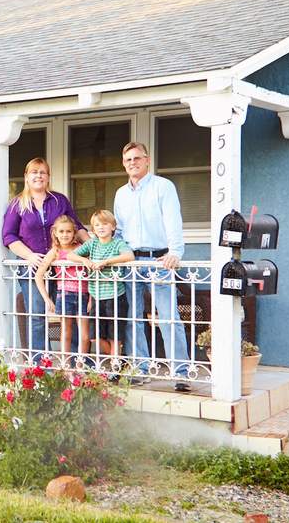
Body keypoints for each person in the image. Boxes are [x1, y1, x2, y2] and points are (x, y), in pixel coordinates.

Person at [113, 141, 191, 391]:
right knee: (133, 317)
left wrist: (175, 252)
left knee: (169, 317)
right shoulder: (120, 194)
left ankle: (181, 372)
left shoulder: (162, 187)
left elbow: (173, 221)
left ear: (147, 160)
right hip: (131, 261)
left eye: (137, 158)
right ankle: (140, 368)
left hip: (159, 260)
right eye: (128, 160)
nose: (133, 163)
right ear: (124, 164)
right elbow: (119, 231)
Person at [2, 157, 89, 354]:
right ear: (26, 176)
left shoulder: (59, 200)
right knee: (37, 315)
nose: (38, 175)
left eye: (42, 172)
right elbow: (8, 236)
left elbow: (77, 227)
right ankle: (41, 366)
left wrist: (92, 248)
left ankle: (73, 362)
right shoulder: (17, 204)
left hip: (63, 267)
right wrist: (30, 256)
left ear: (48, 176)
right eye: (34, 172)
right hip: (32, 267)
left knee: (70, 314)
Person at [67, 210, 134, 359]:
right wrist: (84, 260)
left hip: (115, 295)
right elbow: (71, 255)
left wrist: (106, 261)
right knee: (94, 336)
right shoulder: (92, 243)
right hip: (97, 296)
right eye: (97, 225)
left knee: (114, 335)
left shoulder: (118, 243)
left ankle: (114, 368)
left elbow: (129, 256)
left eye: (105, 224)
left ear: (113, 227)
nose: (101, 227)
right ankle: (117, 359)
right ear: (93, 229)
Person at [34, 215, 90, 360]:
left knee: (84, 335)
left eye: (68, 231)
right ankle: (66, 367)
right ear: (56, 233)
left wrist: (92, 298)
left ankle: (80, 365)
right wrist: (47, 299)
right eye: (62, 231)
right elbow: (38, 275)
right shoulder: (55, 252)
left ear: (74, 233)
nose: (65, 235)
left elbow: (92, 275)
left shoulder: (81, 249)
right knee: (66, 333)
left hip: (83, 295)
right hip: (64, 295)